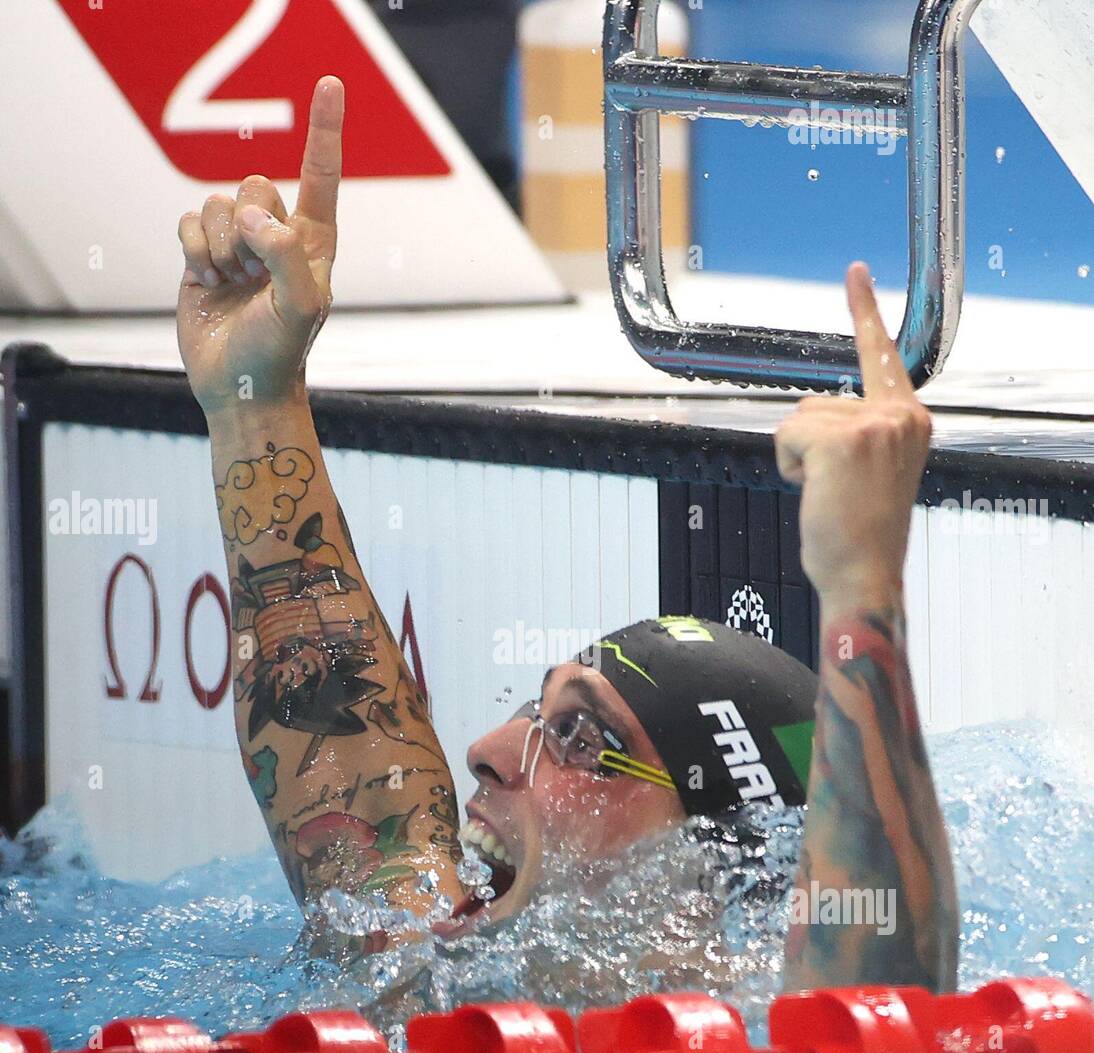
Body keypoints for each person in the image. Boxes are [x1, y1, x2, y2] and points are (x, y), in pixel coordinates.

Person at [175, 77, 958, 994]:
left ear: (707, 883)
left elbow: (879, 1030)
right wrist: (253, 402)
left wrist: (865, 584)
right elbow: (338, 757)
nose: (487, 750)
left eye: (580, 738)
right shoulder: (426, 983)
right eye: (534, 714)